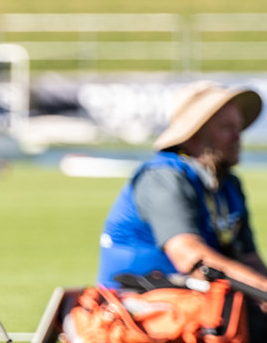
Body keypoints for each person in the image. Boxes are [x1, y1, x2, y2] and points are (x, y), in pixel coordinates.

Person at [96, 82, 267, 298]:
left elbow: (249, 258)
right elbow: (190, 257)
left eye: (238, 127)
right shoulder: (163, 176)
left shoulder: (227, 183)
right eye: (226, 128)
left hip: (192, 299)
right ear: (194, 134)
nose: (237, 137)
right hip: (136, 304)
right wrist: (262, 288)